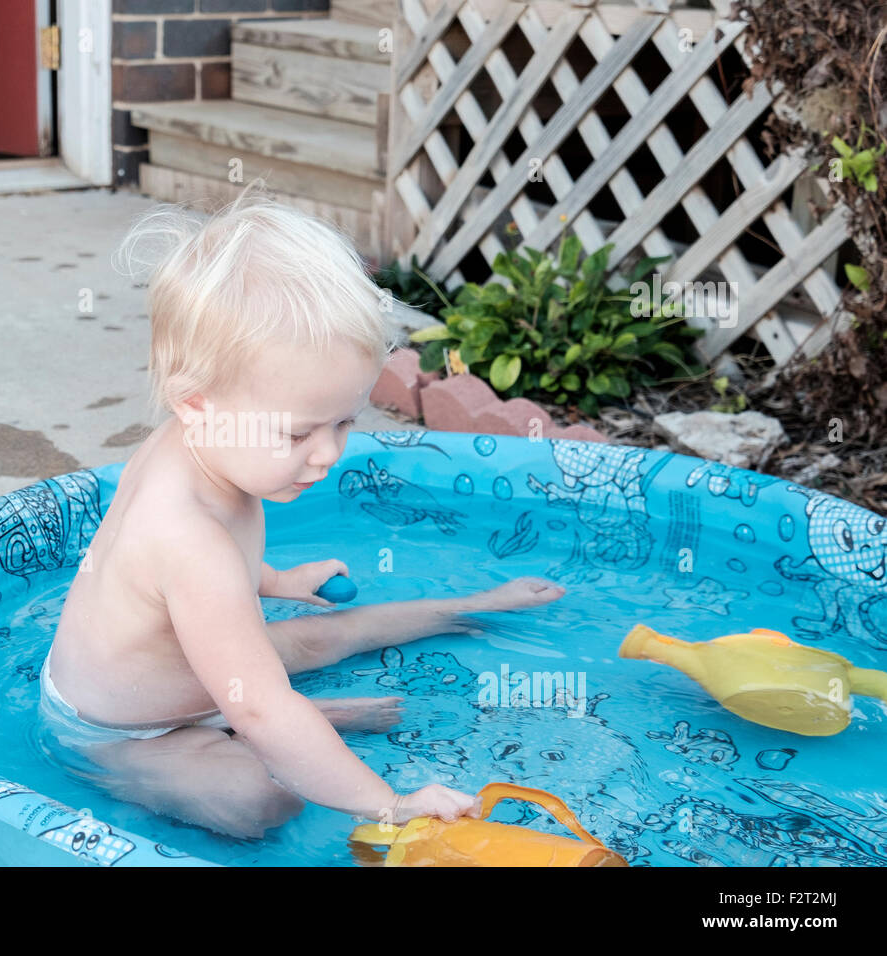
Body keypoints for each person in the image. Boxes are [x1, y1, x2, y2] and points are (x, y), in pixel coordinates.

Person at [37, 180, 565, 840]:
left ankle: (477, 605)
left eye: (345, 421)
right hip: (125, 733)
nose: (328, 456)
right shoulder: (182, 532)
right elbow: (219, 627)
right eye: (298, 434)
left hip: (192, 678)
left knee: (319, 631)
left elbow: (170, 587)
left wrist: (278, 583)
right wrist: (390, 804)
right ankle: (259, 728)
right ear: (196, 402)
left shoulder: (202, 446)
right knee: (260, 798)